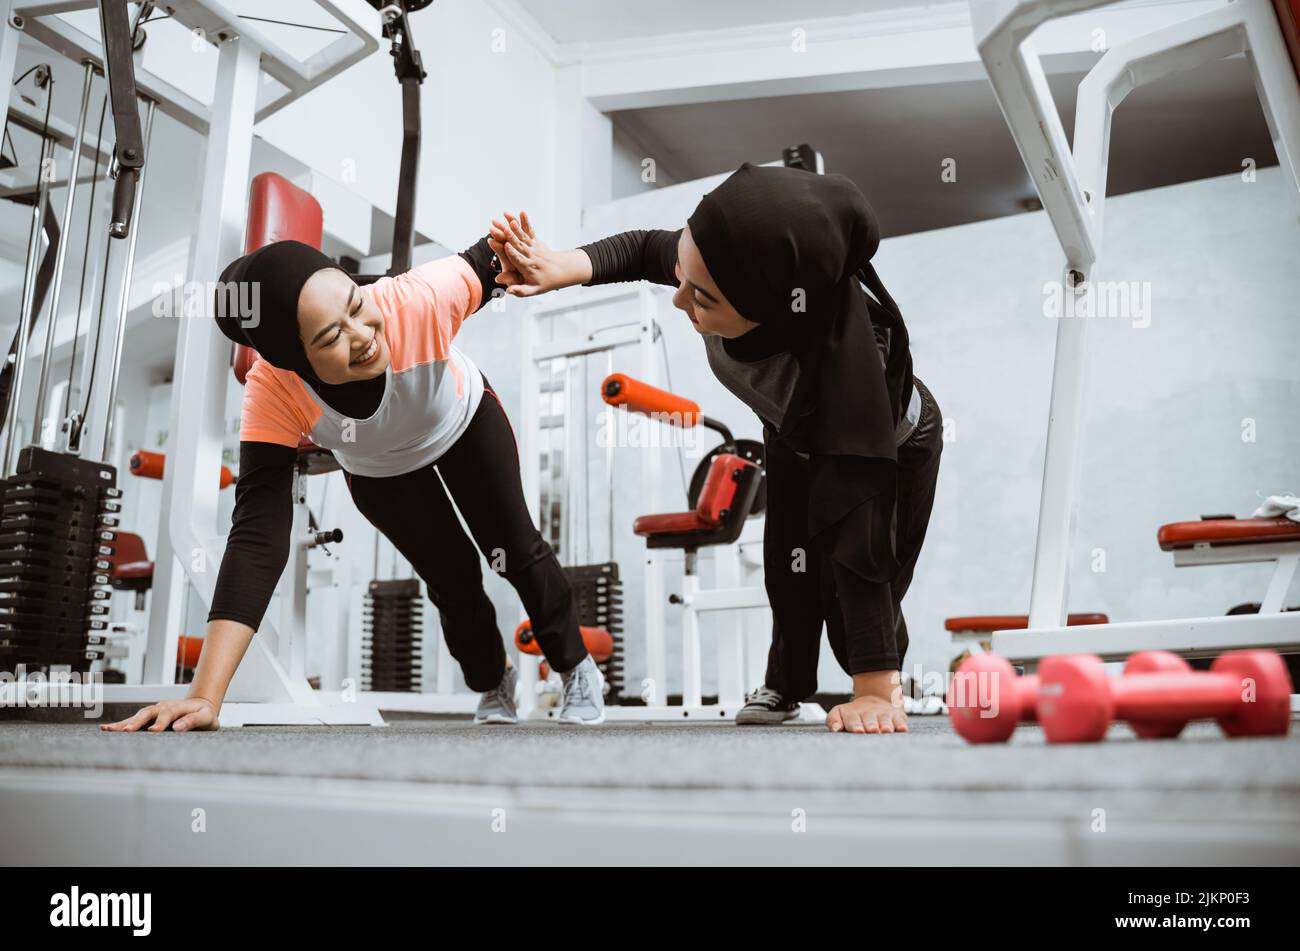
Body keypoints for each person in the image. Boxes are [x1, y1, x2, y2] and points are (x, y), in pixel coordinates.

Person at [488, 163, 942, 734]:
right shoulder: (727, 268)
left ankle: (883, 677)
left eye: (700, 296)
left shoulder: (847, 376)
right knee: (786, 564)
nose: (679, 300)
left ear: (772, 310)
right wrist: (562, 268)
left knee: (846, 575)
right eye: (683, 276)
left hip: (888, 452)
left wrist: (874, 689)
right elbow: (643, 248)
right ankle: (786, 684)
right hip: (793, 437)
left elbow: (861, 536)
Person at [101, 236, 606, 732]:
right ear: (292, 357)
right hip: (377, 466)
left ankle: (575, 668)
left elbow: (492, 257)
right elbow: (258, 531)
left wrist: (520, 246)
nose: (362, 334)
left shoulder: (415, 299)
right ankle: (494, 680)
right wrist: (205, 696)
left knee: (513, 548)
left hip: (460, 419)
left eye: (355, 305)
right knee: (452, 580)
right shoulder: (273, 389)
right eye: (329, 338)